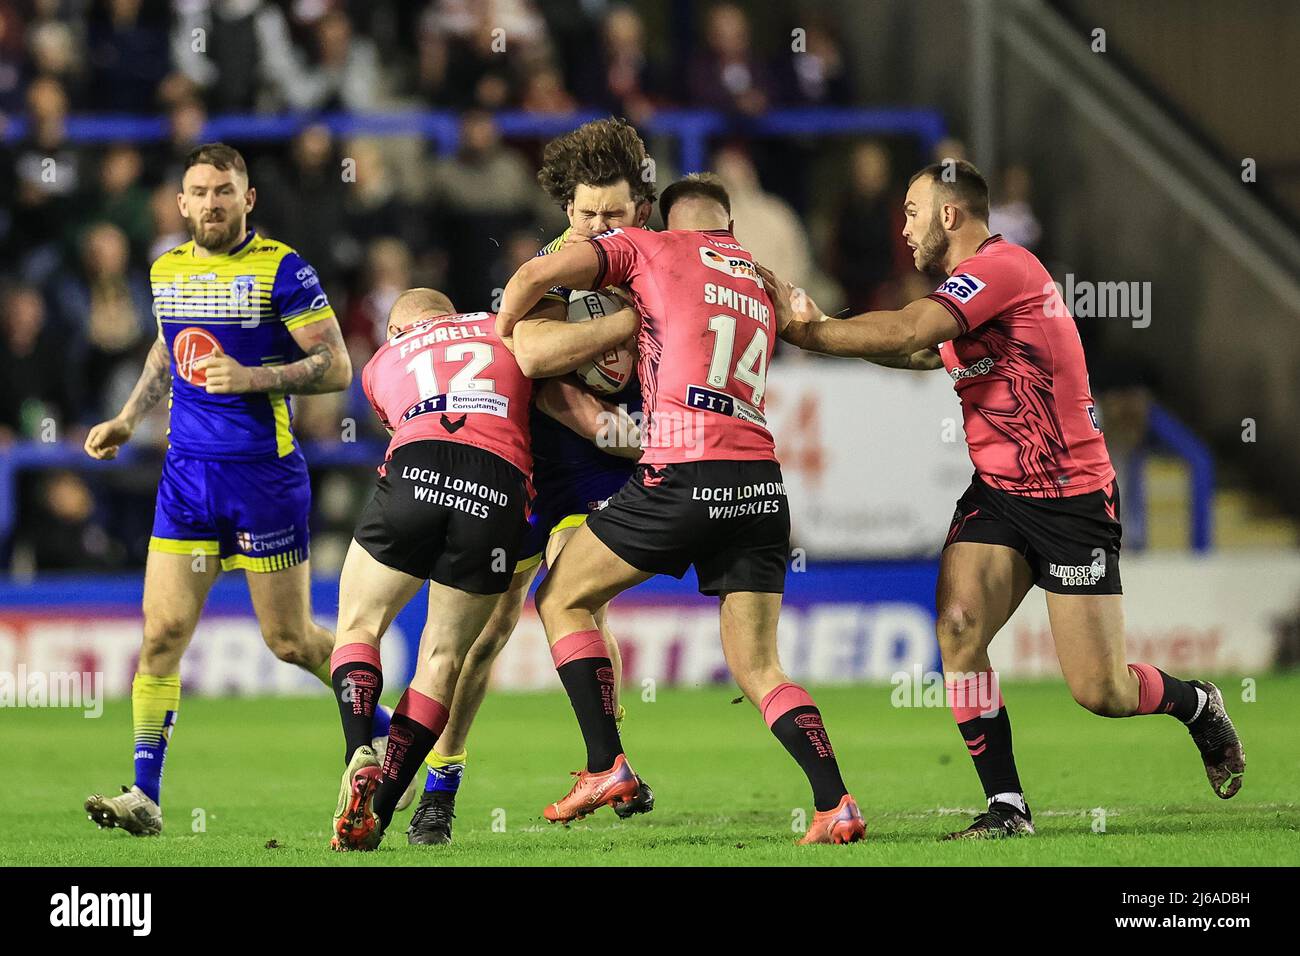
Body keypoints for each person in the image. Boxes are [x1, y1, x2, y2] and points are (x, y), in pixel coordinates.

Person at [769, 159, 1245, 839]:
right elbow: (918, 354)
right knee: (960, 627)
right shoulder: (967, 297)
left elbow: (911, 331)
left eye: (911, 211)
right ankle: (1008, 807)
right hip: (999, 492)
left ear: (950, 215)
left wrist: (813, 332)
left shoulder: (1004, 267)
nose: (901, 228)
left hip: (1071, 496)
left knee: (1099, 691)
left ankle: (1196, 704)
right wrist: (821, 333)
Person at [495, 174, 867, 845]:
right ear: (728, 222)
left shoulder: (651, 250)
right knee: (759, 669)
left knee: (561, 599)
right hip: (760, 481)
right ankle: (834, 802)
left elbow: (534, 274)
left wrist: (503, 329)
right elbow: (814, 328)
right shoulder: (759, 274)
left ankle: (605, 764)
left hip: (685, 471)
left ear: (666, 221)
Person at [81, 143, 380, 836]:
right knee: (161, 634)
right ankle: (146, 794)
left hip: (262, 478)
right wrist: (129, 416)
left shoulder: (281, 268)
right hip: (186, 478)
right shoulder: (167, 269)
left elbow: (336, 364)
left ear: (248, 200)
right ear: (180, 202)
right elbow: (168, 345)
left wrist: (254, 378)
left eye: (224, 190)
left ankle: (396, 734)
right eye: (198, 190)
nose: (211, 202)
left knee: (291, 640)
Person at [404, 116, 657, 843]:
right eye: (586, 215)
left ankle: (609, 760)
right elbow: (536, 361)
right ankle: (440, 788)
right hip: (530, 455)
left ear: (640, 209)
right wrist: (609, 405)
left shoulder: (662, 260)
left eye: (613, 214)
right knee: (484, 634)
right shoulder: (553, 264)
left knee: (580, 595)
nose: (599, 228)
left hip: (599, 470)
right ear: (566, 211)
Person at [329, 289, 536, 850]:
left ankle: (357, 751)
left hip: (417, 465)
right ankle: (386, 801)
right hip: (499, 483)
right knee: (444, 655)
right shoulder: (504, 324)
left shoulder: (380, 363)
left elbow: (396, 414)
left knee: (357, 625)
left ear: (398, 330)